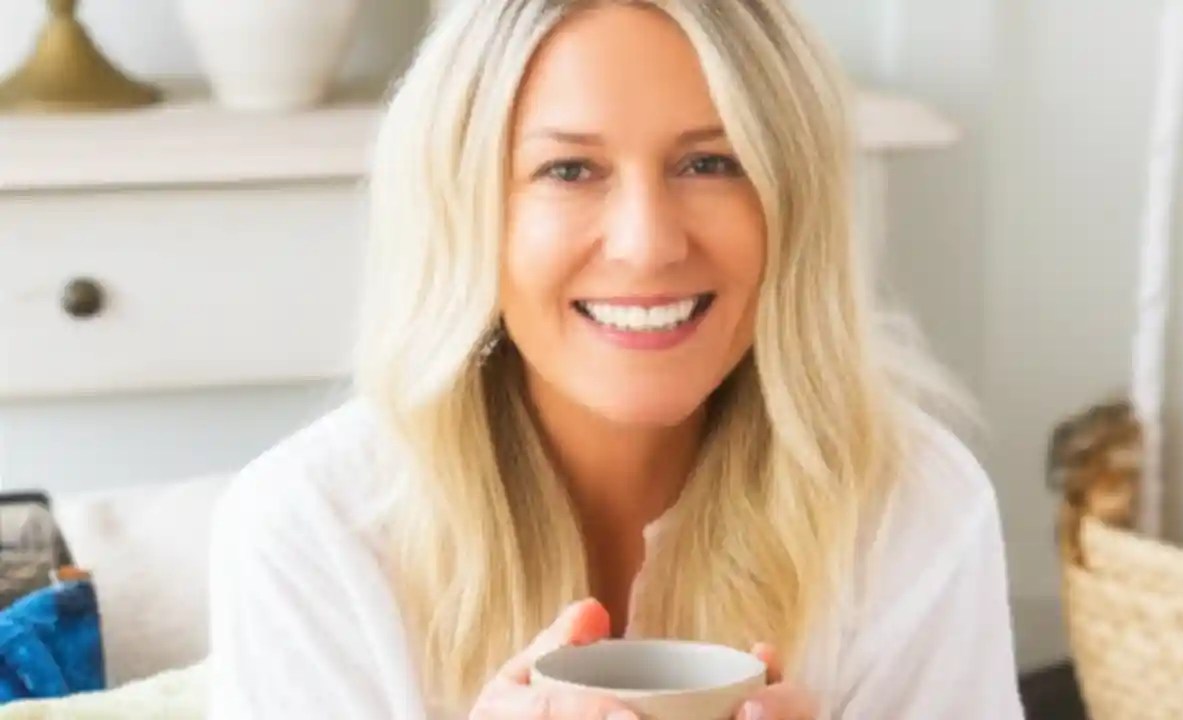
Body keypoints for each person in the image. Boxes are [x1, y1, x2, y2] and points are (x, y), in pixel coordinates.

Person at [207, 1, 1023, 718]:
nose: (646, 245)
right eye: (569, 170)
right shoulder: (314, 530)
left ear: (793, 203)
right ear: (468, 215)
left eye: (710, 163)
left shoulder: (913, 512)